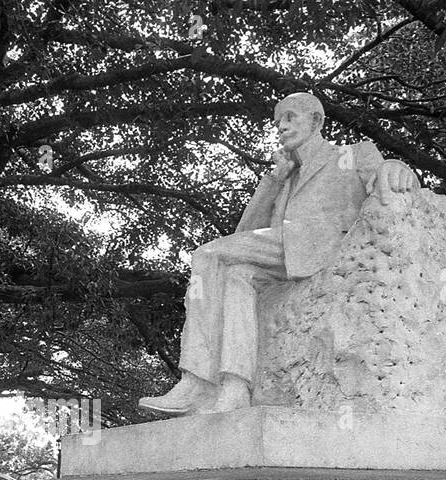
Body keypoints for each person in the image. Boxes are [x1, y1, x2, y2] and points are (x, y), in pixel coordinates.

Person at [139, 92, 420, 417]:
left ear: (316, 120)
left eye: (290, 117)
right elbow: (244, 233)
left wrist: (397, 167)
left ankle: (196, 382)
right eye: (277, 122)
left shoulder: (351, 154)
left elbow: (381, 171)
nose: (281, 127)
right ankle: (235, 387)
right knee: (237, 276)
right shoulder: (284, 175)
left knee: (207, 255)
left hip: (319, 245)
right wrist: (274, 179)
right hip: (284, 254)